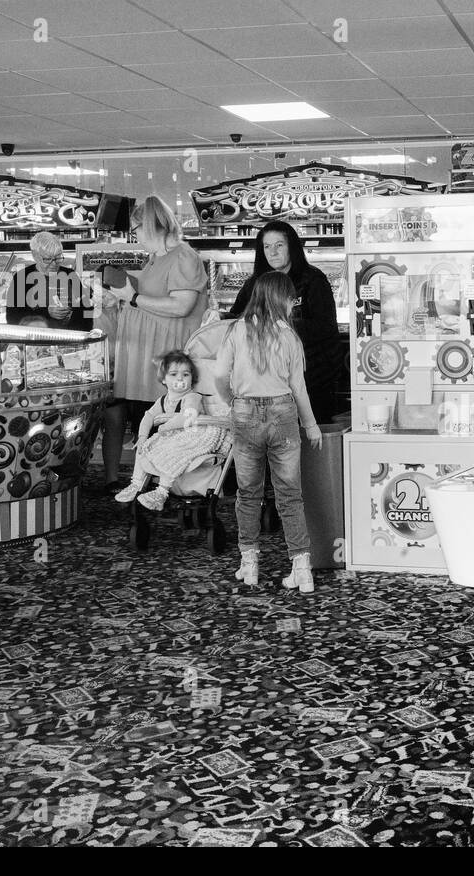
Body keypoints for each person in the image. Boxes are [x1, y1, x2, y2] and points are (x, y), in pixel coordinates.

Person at [215, 271, 322, 592]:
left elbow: (219, 374)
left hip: (245, 412)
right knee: (290, 494)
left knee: (248, 493)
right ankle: (302, 569)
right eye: (292, 299)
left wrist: (231, 400)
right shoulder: (289, 336)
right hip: (283, 413)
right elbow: (298, 388)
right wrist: (312, 426)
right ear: (281, 299)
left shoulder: (236, 330)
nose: (293, 305)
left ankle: (249, 565)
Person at [101, 196, 209, 493]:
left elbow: (181, 306)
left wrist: (131, 297)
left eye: (136, 229)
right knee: (148, 428)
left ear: (149, 225)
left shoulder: (184, 257)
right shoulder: (156, 258)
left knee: (167, 429)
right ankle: (150, 485)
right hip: (148, 360)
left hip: (168, 360)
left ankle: (167, 488)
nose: (134, 236)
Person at [222, 220, 340, 424]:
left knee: (306, 438)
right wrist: (219, 317)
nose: (272, 252)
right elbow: (237, 317)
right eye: (266, 246)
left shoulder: (313, 280)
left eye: (279, 245)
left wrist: (279, 325)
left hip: (311, 377)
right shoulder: (254, 283)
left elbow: (326, 327)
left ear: (292, 247)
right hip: (263, 382)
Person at [114, 350, 227, 510]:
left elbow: (187, 416)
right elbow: (148, 416)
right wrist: (142, 436)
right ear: (164, 380)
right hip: (173, 436)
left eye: (185, 374)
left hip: (192, 437)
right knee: (145, 446)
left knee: (171, 453)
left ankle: (162, 491)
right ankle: (136, 484)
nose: (180, 378)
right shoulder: (163, 401)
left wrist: (164, 427)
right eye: (174, 374)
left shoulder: (192, 397)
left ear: (192, 379)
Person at [3, 231, 88, 329]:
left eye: (58, 258)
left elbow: (85, 314)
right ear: (35, 256)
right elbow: (12, 318)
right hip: (35, 339)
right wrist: (46, 312)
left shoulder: (70, 275)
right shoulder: (21, 278)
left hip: (68, 339)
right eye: (47, 259)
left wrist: (72, 315)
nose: (53, 264)